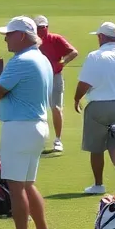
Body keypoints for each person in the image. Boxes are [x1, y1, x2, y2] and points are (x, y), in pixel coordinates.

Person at [0, 16, 55, 229]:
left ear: (22, 36)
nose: (5, 38)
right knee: (27, 185)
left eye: (9, 34)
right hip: (37, 126)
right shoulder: (42, 58)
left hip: (20, 127)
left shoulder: (21, 61)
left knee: (16, 187)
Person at [75, 21, 115, 194]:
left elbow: (85, 82)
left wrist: (77, 99)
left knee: (96, 147)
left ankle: (98, 185)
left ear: (102, 37)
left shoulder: (95, 56)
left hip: (98, 106)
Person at [34, 16, 78, 153]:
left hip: (55, 77)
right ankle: (37, 140)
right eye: (39, 27)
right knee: (36, 109)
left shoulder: (55, 39)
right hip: (37, 79)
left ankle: (58, 140)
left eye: (44, 27)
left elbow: (73, 52)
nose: (42, 29)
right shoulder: (31, 41)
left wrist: (63, 62)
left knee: (56, 108)